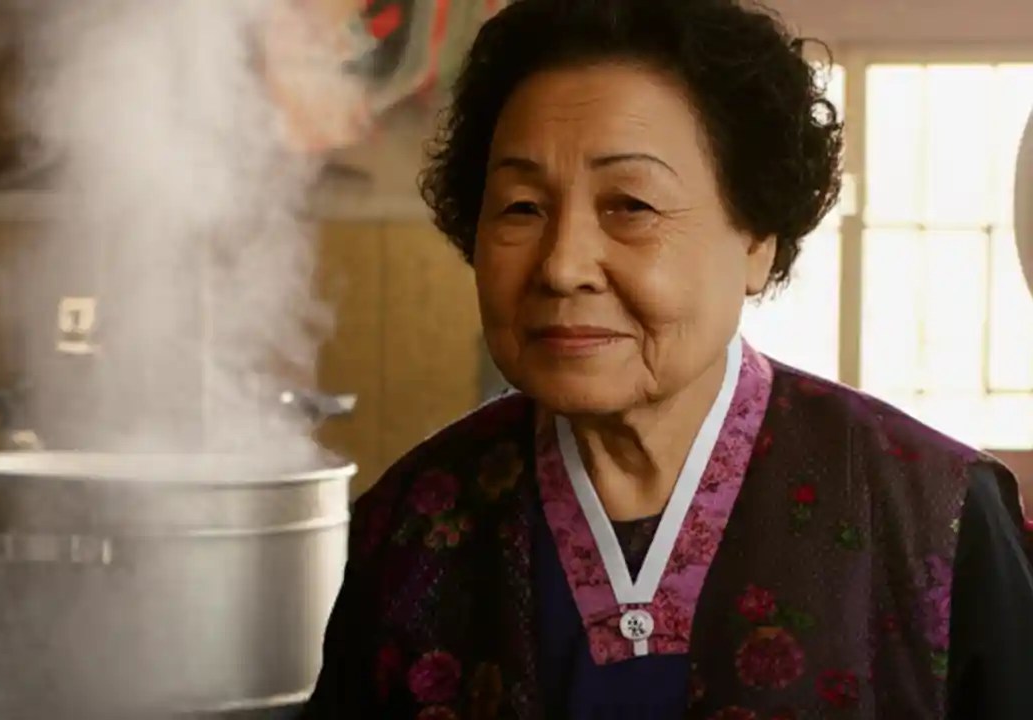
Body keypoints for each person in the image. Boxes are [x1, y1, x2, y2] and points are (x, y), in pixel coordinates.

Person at [301, 0, 1033, 717]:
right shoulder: (409, 523)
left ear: (755, 240)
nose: (562, 265)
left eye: (631, 205)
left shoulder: (937, 514)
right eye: (522, 207)